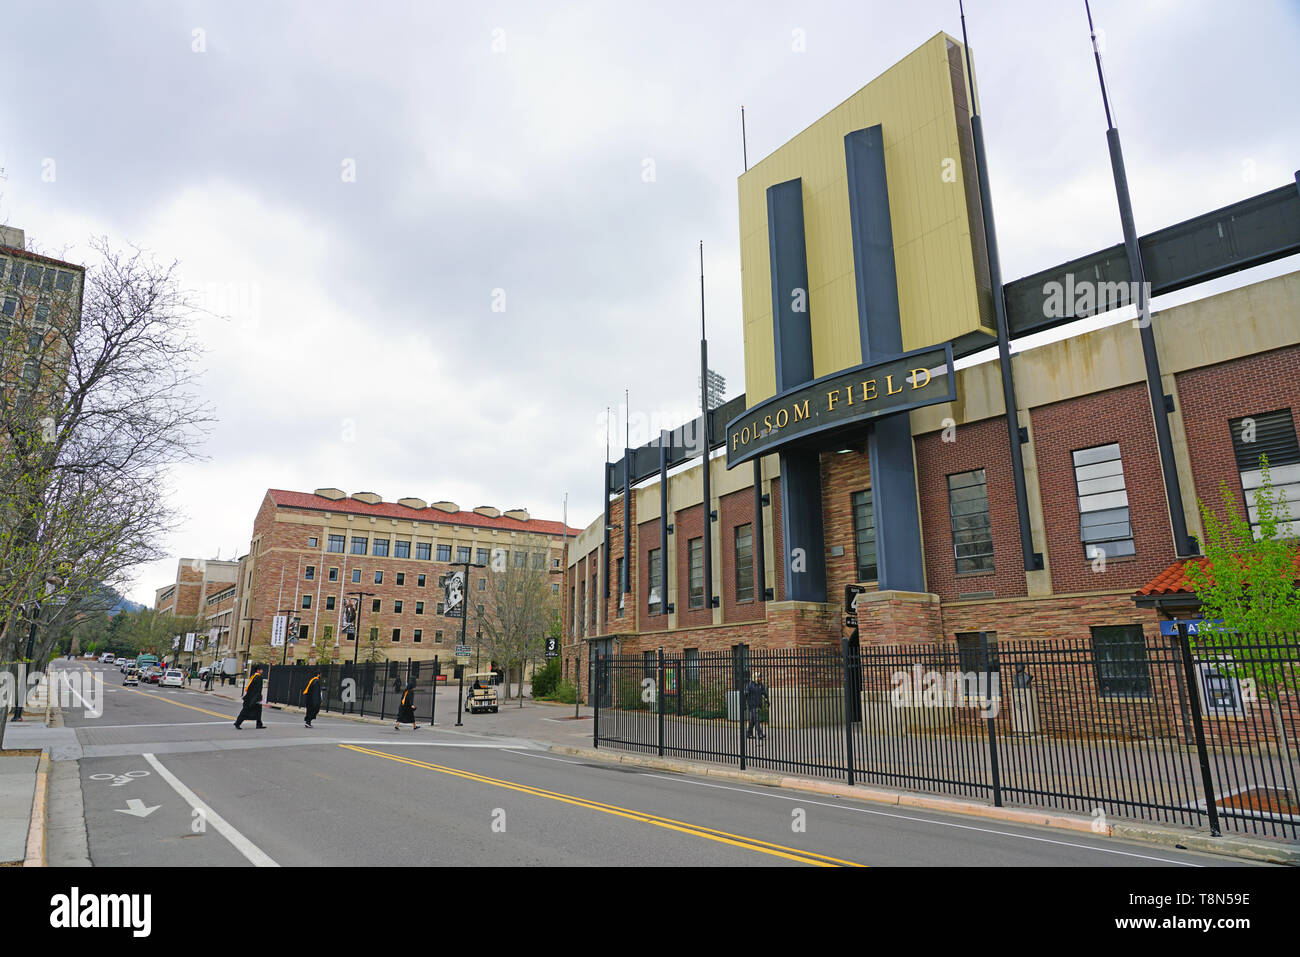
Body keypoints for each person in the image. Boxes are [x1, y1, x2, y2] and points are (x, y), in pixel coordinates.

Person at [234, 665, 266, 730]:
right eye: (261, 670)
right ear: (258, 670)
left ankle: (259, 724)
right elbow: (258, 689)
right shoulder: (259, 678)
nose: (262, 671)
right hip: (254, 697)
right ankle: (237, 723)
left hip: (251, 696)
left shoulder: (253, 676)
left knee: (258, 711)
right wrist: (257, 698)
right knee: (246, 710)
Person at [743, 670, 769, 740]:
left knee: (753, 720)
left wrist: (767, 700)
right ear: (755, 677)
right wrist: (744, 705)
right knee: (757, 719)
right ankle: (760, 734)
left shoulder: (760, 685)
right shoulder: (750, 685)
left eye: (760, 677)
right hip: (752, 705)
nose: (760, 678)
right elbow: (745, 695)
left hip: (758, 704)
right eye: (759, 677)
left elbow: (764, 693)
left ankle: (749, 733)